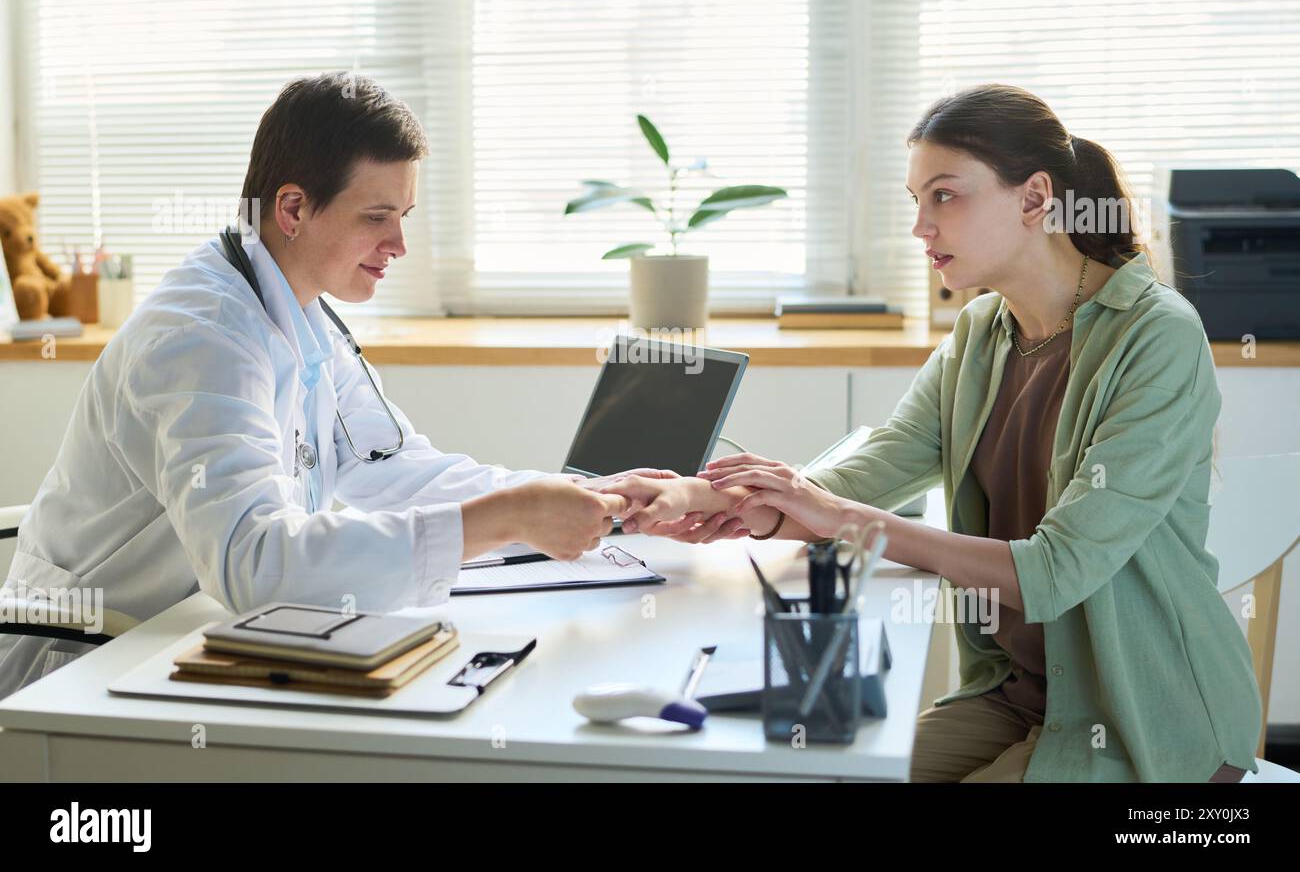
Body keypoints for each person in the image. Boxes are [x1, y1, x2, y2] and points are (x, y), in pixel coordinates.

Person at [599, 84, 1262, 783]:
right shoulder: (980, 332)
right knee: (832, 775)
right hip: (1017, 698)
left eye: (944, 196)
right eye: (916, 200)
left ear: (1036, 198)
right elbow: (872, 473)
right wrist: (700, 499)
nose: (921, 227)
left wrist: (837, 516)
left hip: (1147, 719)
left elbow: (1057, 571)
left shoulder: (1157, 336)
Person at [0, 72, 637, 700]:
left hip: (198, 639)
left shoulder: (300, 313)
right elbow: (255, 563)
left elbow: (393, 467)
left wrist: (596, 498)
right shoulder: (201, 338)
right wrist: (507, 518)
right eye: (377, 217)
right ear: (293, 209)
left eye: (403, 216)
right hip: (85, 665)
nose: (399, 245)